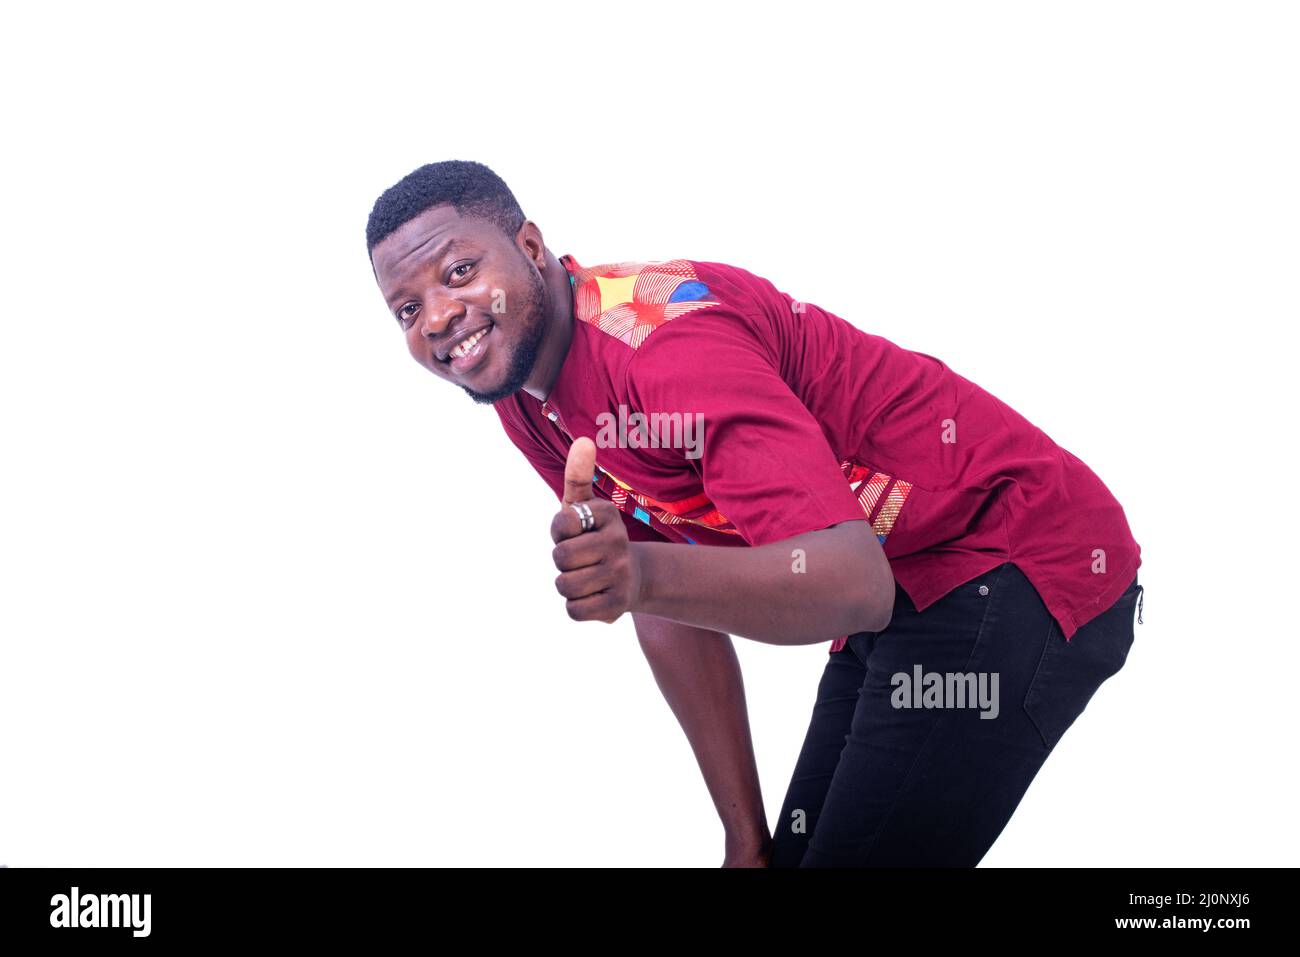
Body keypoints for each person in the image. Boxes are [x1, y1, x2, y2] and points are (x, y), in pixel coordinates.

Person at [365, 160, 1144, 867]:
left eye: (460, 271)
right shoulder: (527, 394)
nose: (437, 318)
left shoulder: (665, 349)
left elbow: (846, 581)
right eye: (406, 308)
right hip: (904, 589)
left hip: (1015, 555)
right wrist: (744, 836)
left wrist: (637, 572)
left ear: (529, 247)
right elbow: (663, 597)